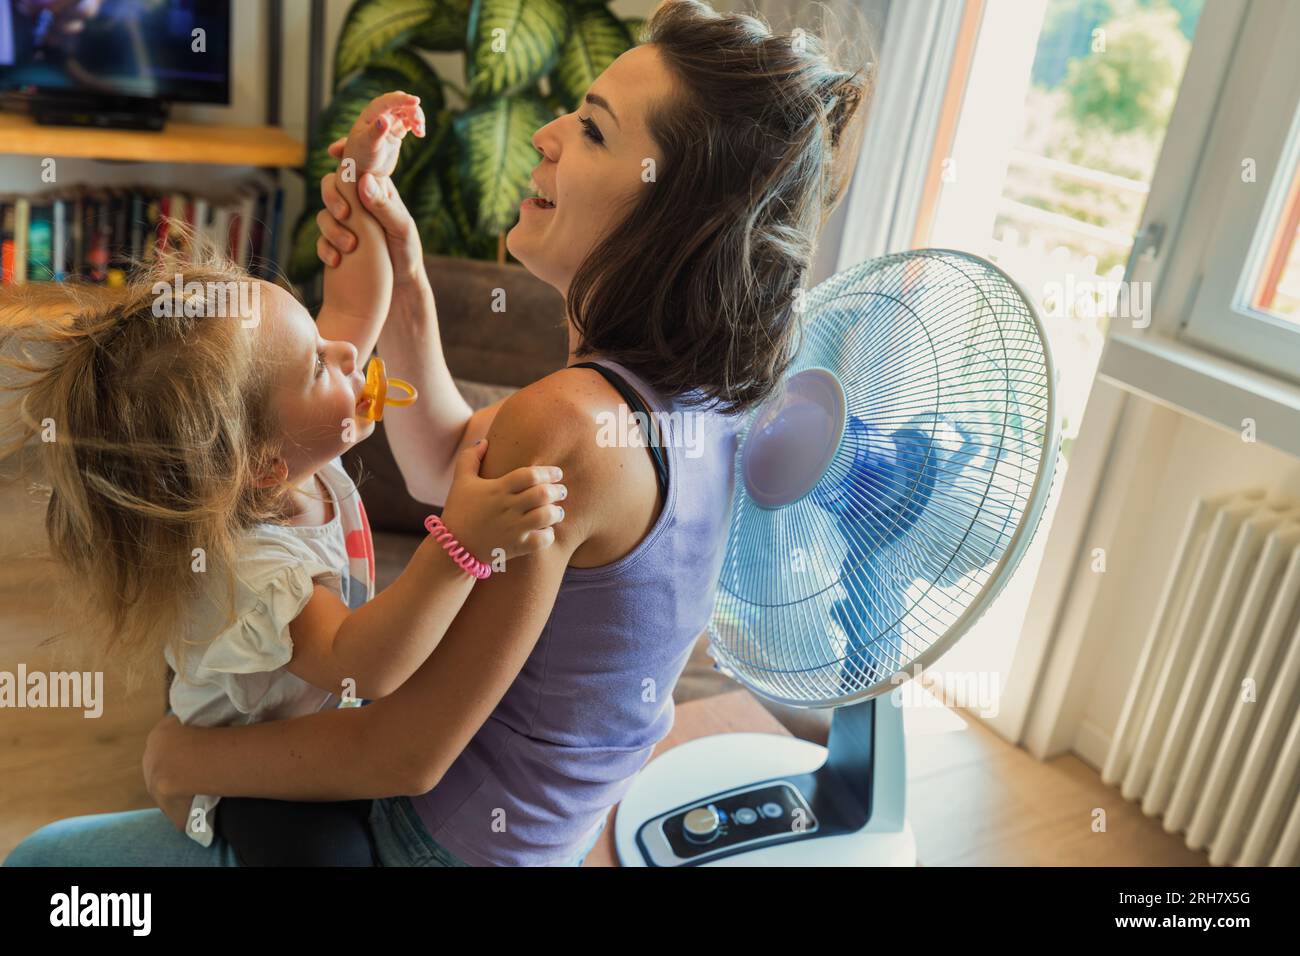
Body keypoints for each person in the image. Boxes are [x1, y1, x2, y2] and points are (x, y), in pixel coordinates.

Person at [4, 0, 870, 867]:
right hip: (539, 841)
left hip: (431, 842)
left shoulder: (568, 420)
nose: (545, 133)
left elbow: (401, 753)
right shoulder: (698, 402)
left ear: (673, 216)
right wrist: (407, 278)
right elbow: (447, 462)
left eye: (595, 132)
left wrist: (179, 756)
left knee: (44, 864)